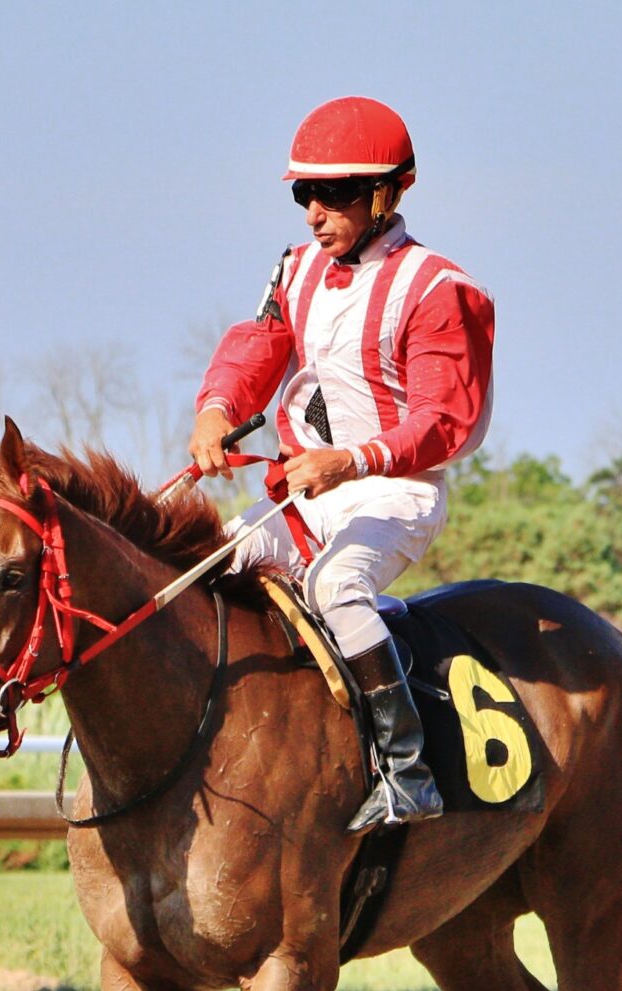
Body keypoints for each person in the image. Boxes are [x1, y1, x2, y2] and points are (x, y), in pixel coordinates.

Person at [190, 96, 495, 833]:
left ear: (386, 194)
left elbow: (447, 418)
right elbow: (258, 346)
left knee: (336, 584)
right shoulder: (295, 270)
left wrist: (350, 460)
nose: (313, 212)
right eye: (304, 194)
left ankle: (406, 768)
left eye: (334, 195)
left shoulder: (435, 288)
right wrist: (215, 410)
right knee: (209, 564)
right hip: (309, 489)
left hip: (395, 496)